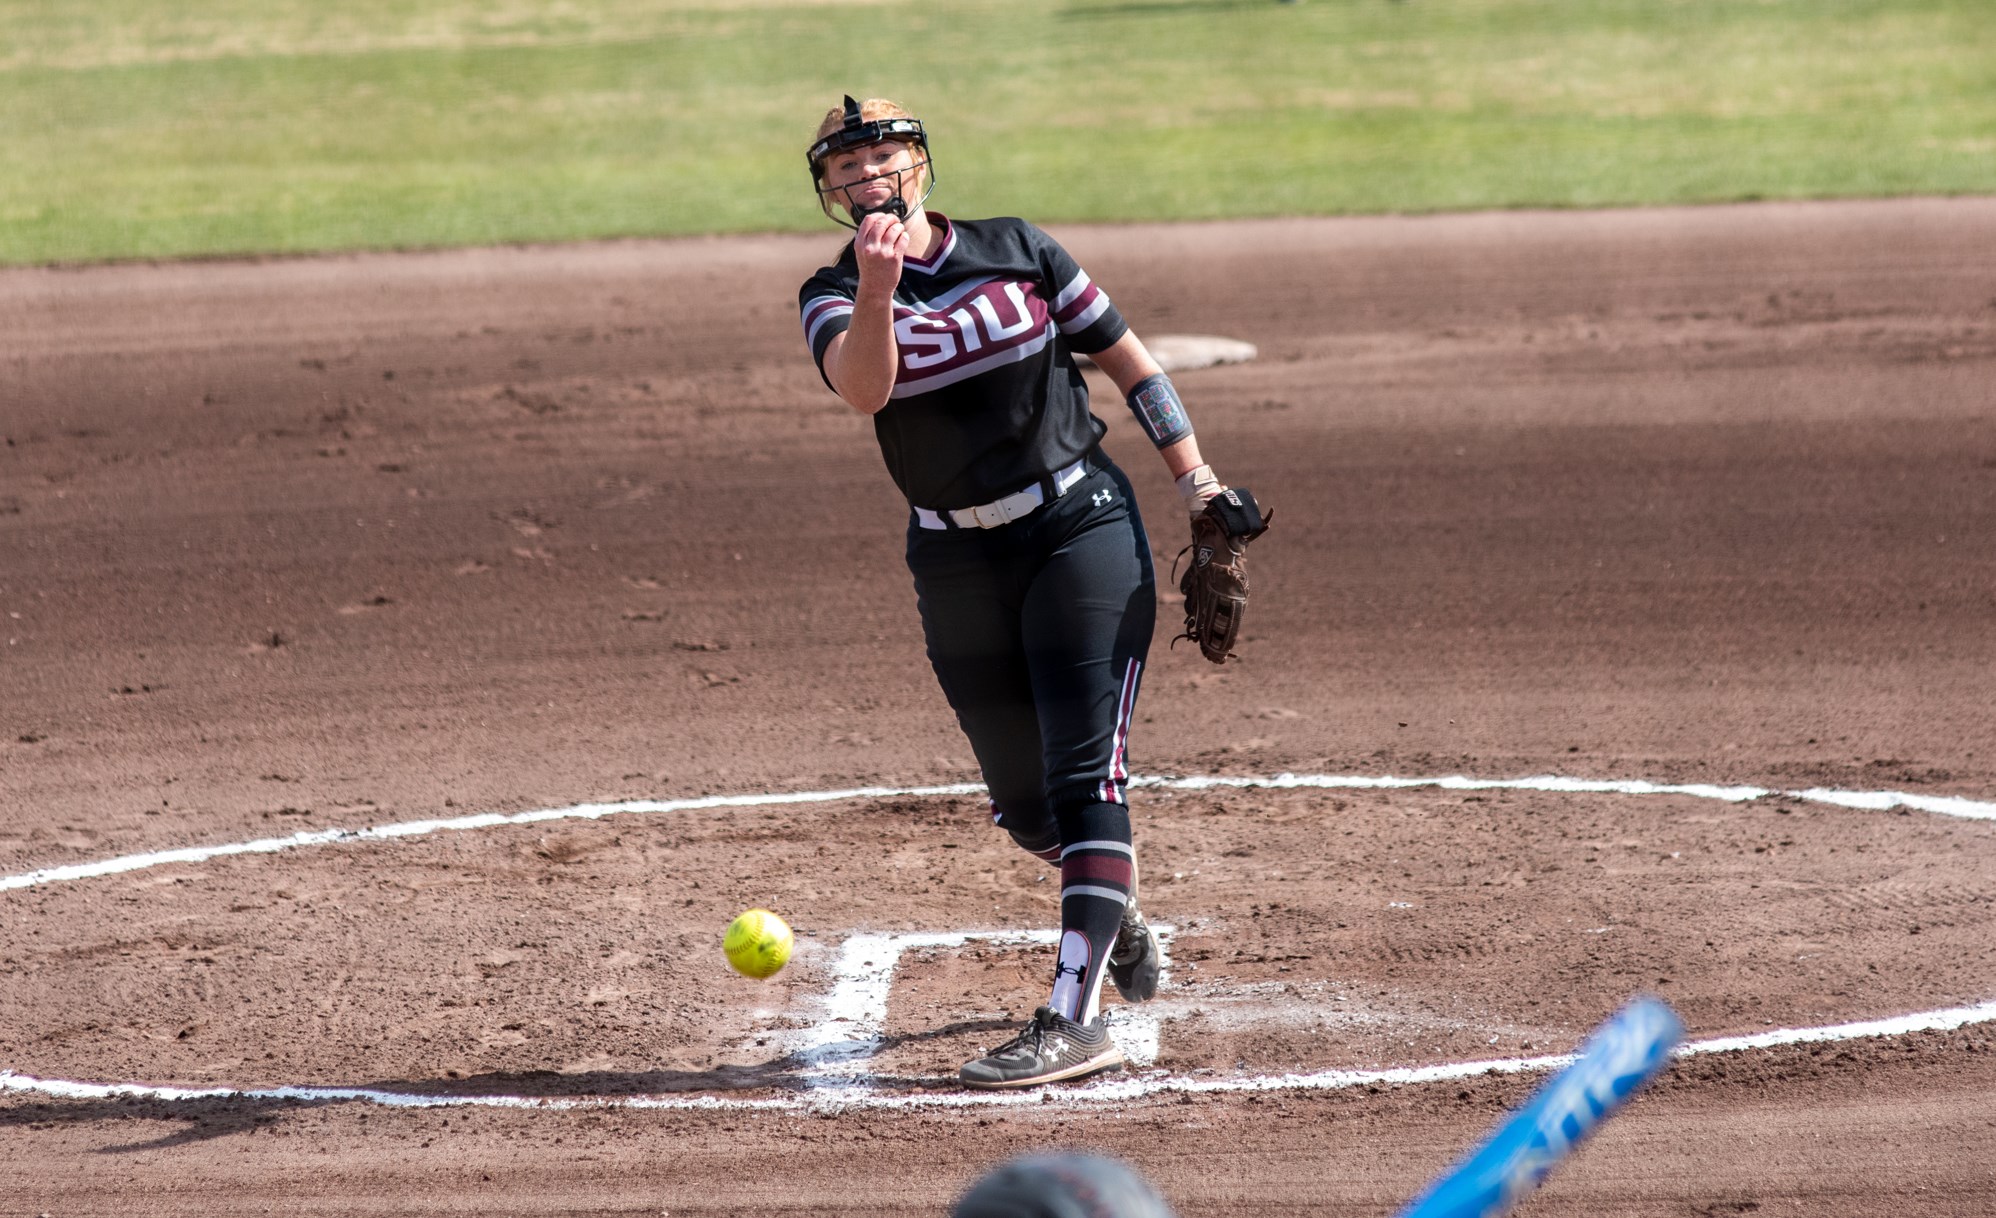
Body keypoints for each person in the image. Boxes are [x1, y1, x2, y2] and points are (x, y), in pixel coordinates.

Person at [796, 96, 1245, 1089]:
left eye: (887, 156)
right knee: (1024, 804)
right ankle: (1112, 901)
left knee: (1087, 778)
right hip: (953, 559)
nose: (870, 176)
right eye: (848, 166)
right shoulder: (829, 295)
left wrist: (1196, 483)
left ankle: (1071, 1017)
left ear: (921, 162)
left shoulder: (1017, 249)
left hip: (1080, 528)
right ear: (828, 189)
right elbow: (865, 390)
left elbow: (1128, 363)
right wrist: (876, 290)